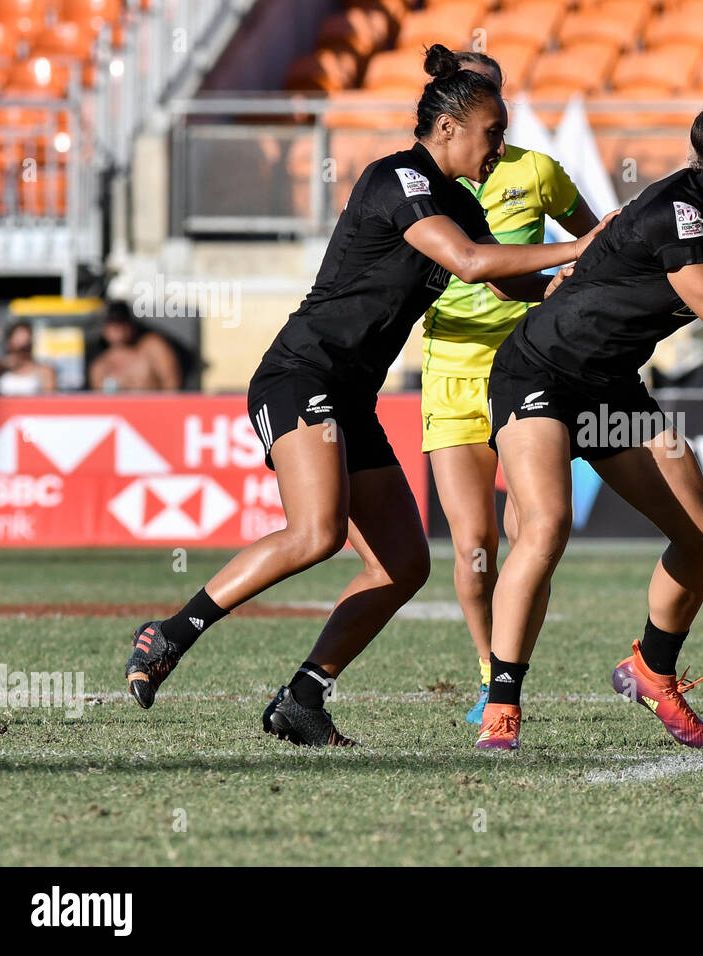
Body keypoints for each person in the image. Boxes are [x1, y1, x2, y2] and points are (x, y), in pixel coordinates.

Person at [123, 45, 605, 746]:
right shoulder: (398, 177)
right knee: (317, 532)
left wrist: (581, 279)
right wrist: (578, 244)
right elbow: (471, 262)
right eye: (491, 132)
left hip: (350, 394)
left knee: (405, 564)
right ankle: (168, 633)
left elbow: (504, 281)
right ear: (448, 129)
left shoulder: (457, 201)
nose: (500, 146)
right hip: (301, 374)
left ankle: (303, 697)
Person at [476, 41, 703, 751]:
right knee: (545, 527)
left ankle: (651, 668)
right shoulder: (681, 212)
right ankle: (501, 708)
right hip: (539, 373)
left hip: (610, 388)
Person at [422, 51, 601, 726]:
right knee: (474, 549)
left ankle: (508, 678)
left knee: (532, 529)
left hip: (529, 369)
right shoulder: (421, 182)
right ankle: (485, 673)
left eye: (493, 98)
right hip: (452, 373)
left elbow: (596, 242)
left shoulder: (538, 170)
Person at [89, 303, 182, 392]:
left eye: (122, 321)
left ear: (131, 324)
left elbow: (172, 385)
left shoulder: (152, 347)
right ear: (104, 328)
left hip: (154, 407)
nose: (118, 328)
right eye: (112, 322)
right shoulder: (100, 366)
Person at [0, 321, 57, 394]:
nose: (23, 339)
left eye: (26, 338)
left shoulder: (44, 370)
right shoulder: (0, 368)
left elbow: (50, 399)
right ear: (9, 342)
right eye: (18, 337)